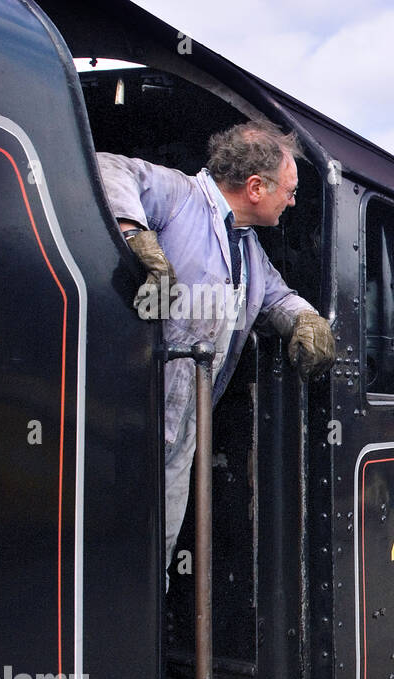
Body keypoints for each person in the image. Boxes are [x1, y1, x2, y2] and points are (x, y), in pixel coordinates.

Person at [97, 119, 336, 570]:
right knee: (111, 555)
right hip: (122, 423)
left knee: (154, 559)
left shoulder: (247, 246)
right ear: (255, 187)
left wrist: (306, 320)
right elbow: (107, 167)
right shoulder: (179, 195)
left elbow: (275, 296)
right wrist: (133, 234)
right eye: (289, 190)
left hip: (184, 427)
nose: (293, 200)